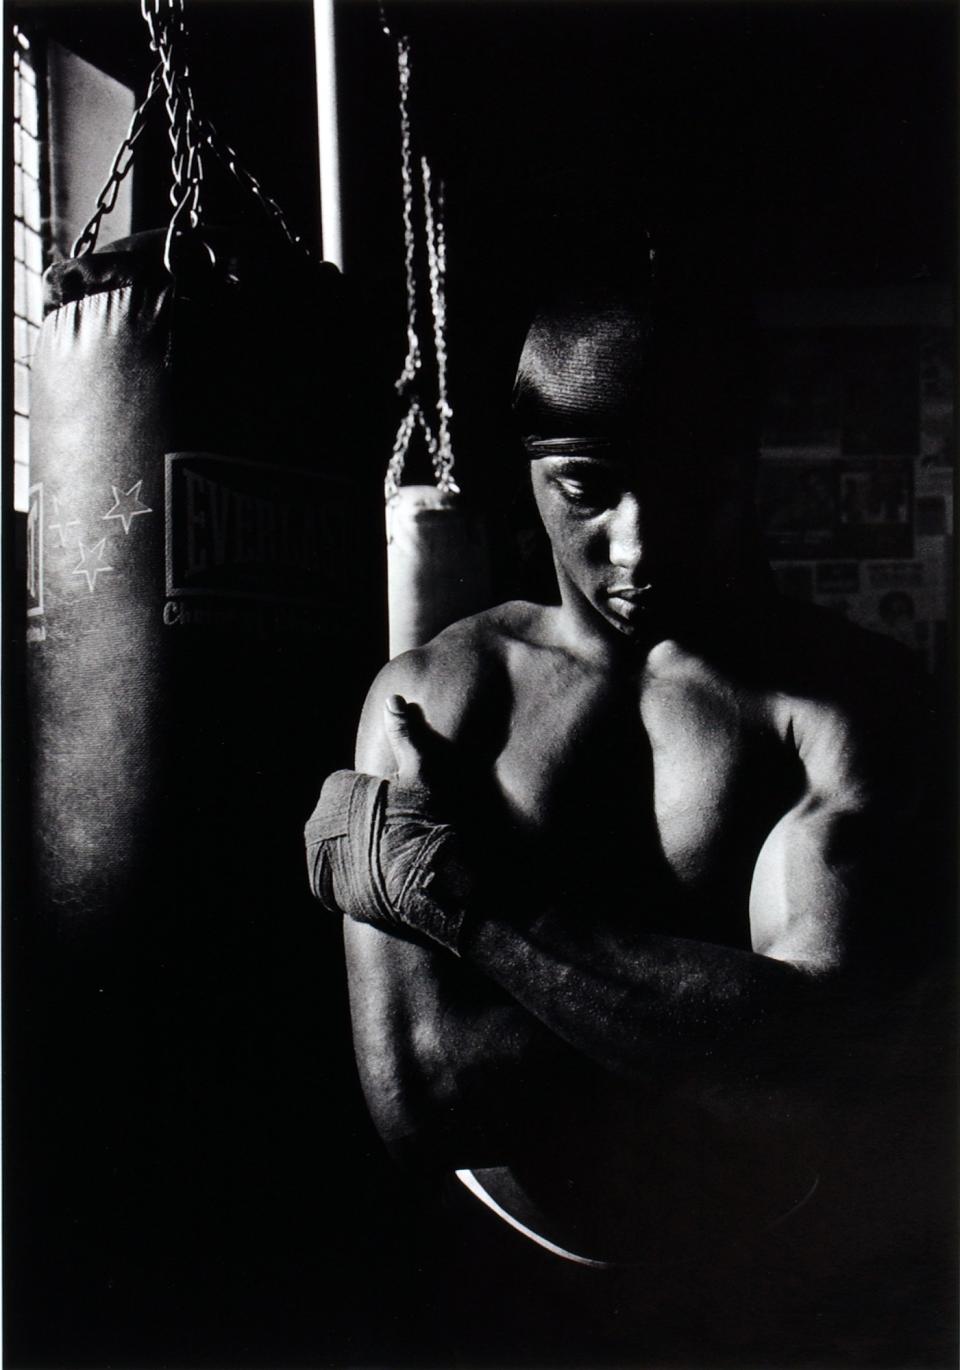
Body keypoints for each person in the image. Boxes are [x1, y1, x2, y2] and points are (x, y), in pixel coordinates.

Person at [305, 272, 949, 1362]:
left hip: (784, 1278)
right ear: (529, 481)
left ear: (741, 472)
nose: (638, 545)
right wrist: (713, 1031)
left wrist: (472, 906)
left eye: (685, 485)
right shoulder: (440, 697)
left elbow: (826, 1054)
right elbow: (429, 1091)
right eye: (589, 489)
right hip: (508, 1280)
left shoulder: (847, 707)